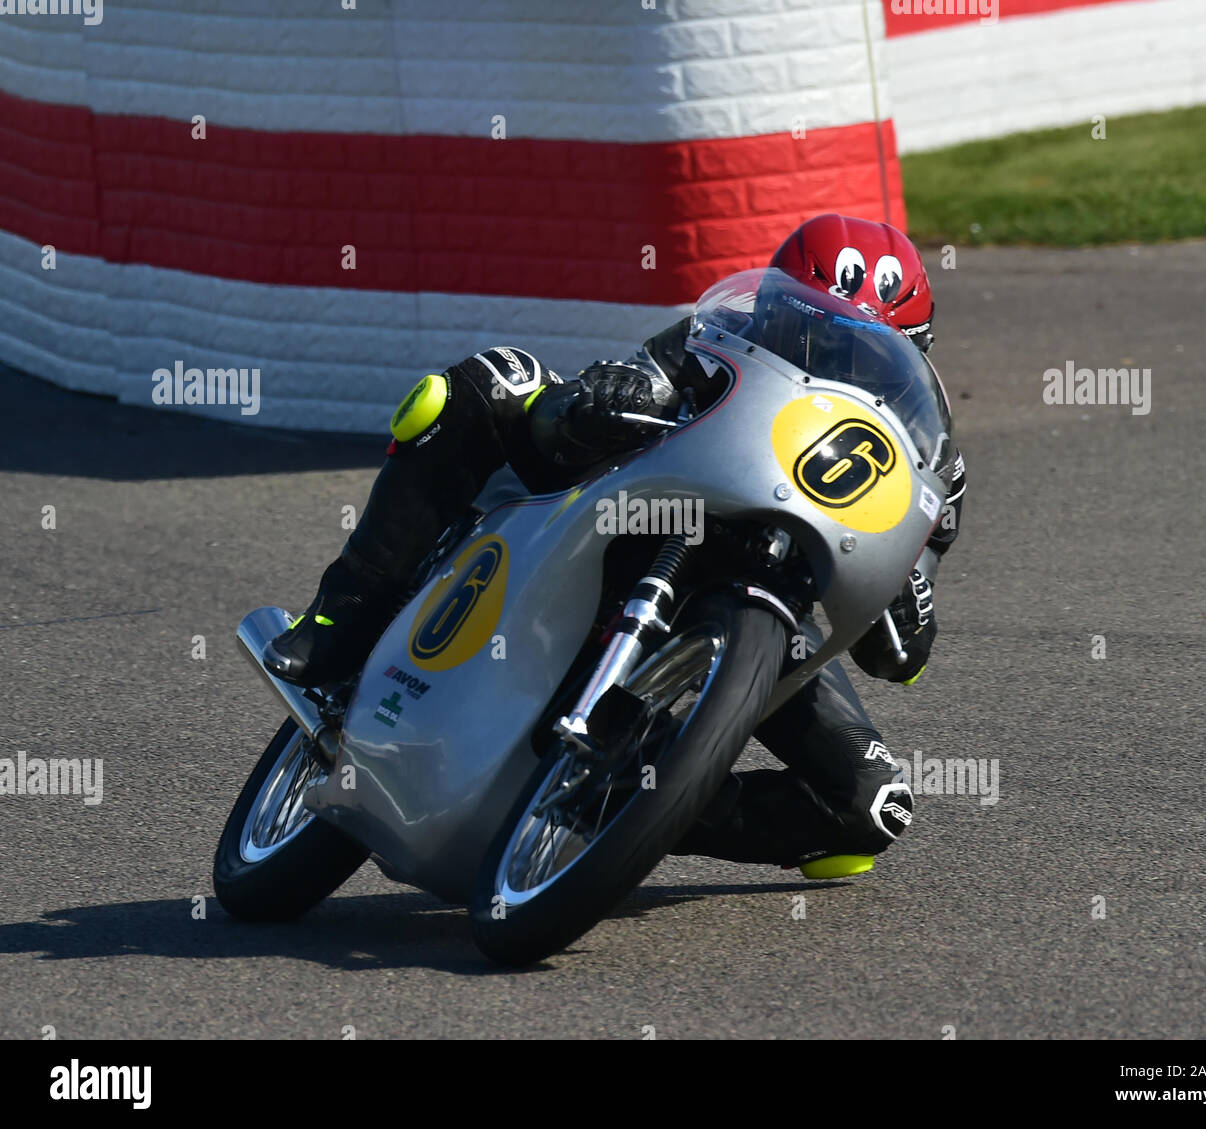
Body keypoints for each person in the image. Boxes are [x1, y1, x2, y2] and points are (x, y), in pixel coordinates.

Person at [263, 213, 966, 877]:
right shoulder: (714, 337)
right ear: (774, 308)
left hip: (776, 596)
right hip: (639, 516)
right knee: (483, 385)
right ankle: (342, 618)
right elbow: (581, 414)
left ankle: (632, 800)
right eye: (813, 333)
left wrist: (909, 593)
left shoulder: (932, 466)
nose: (832, 358)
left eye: (865, 350)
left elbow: (899, 654)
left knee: (874, 805)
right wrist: (600, 398)